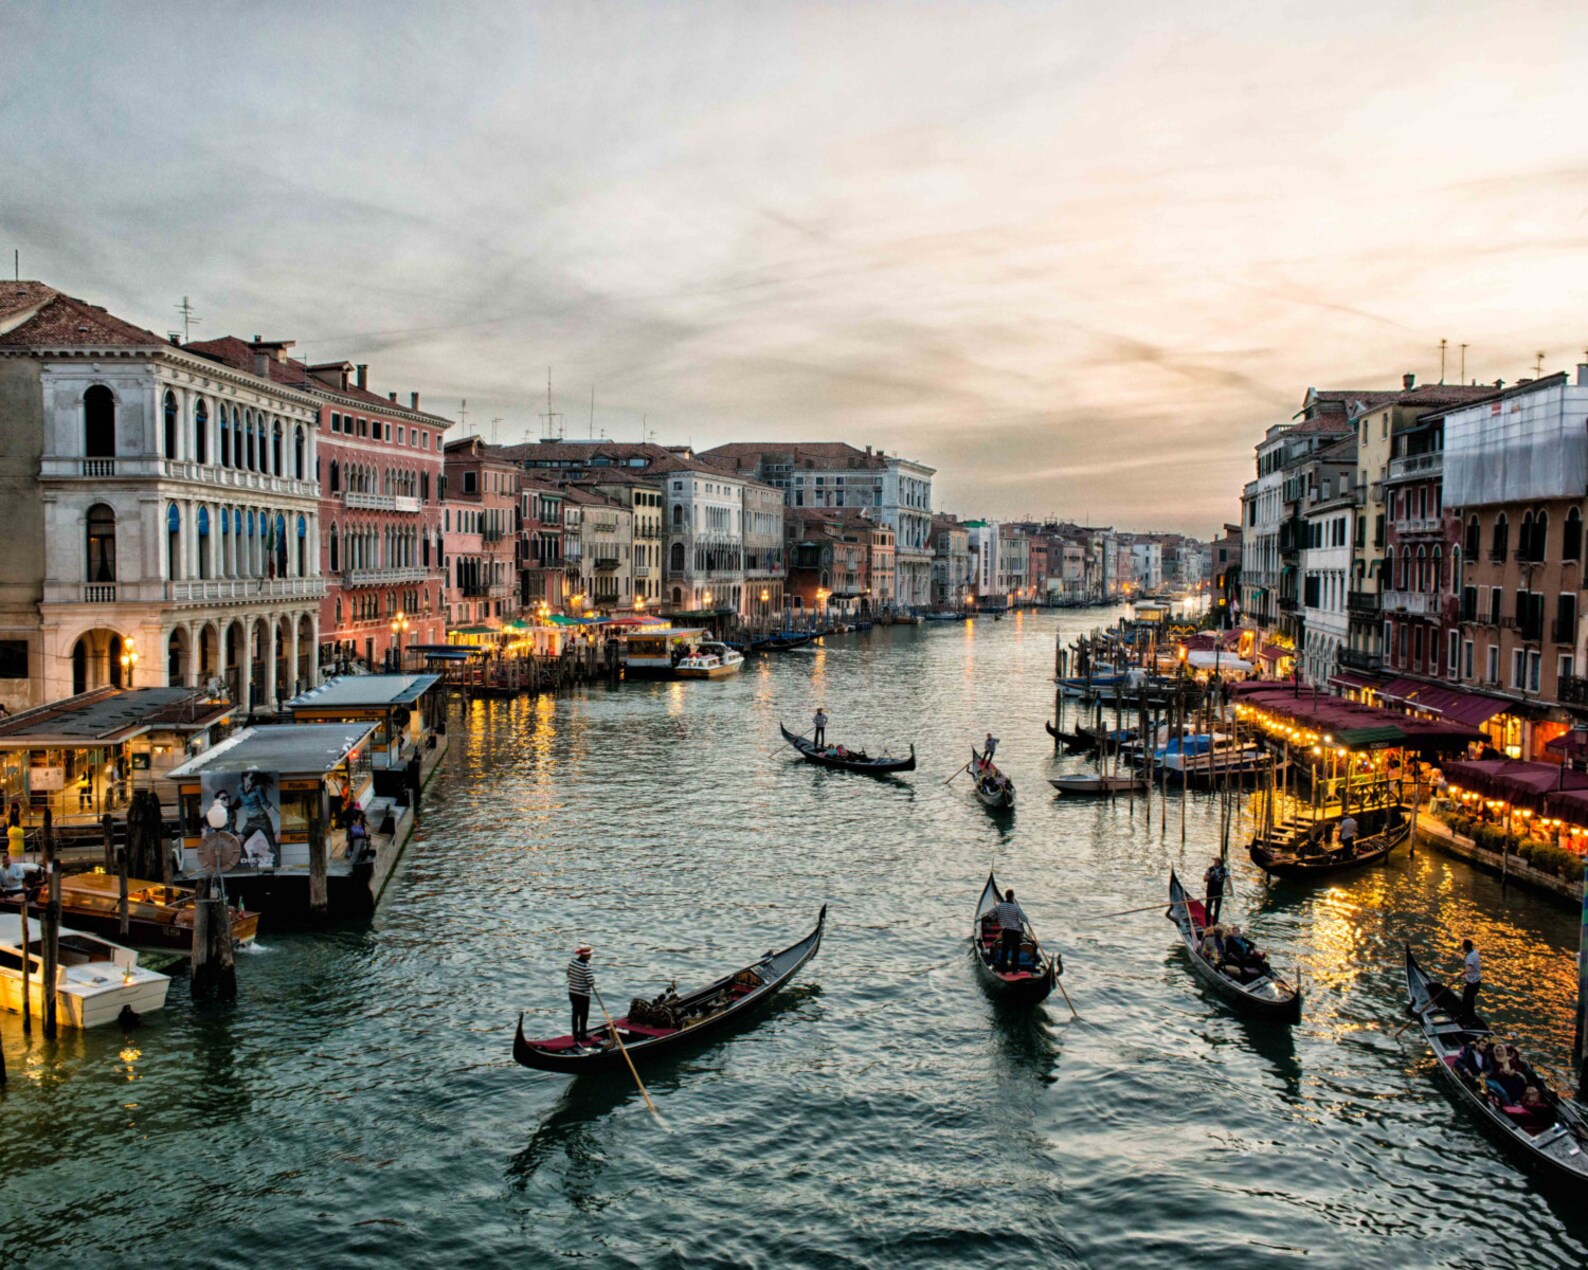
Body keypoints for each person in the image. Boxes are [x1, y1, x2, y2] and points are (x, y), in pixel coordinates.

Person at [992, 888, 1027, 972]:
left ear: (1006, 896)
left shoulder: (1000, 906)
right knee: (1015, 951)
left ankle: (1002, 969)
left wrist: (996, 917)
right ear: (1012, 897)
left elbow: (990, 914)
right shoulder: (1016, 907)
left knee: (1005, 950)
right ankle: (1014, 970)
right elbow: (1025, 919)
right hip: (1015, 933)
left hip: (1006, 932)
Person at [567, 944, 596, 1042]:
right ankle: (583, 1035)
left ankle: (575, 1035)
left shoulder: (572, 963)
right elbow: (591, 981)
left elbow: (568, 974)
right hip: (583, 994)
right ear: (586, 956)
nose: (591, 956)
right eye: (590, 954)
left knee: (575, 1013)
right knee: (584, 1015)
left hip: (572, 992)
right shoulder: (586, 966)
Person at [1460, 938, 1482, 1025]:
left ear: (1465, 947)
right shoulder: (1475, 952)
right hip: (1476, 981)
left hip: (1472, 982)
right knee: (1467, 999)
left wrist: (1462, 973)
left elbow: (1469, 968)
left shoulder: (1469, 957)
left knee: (1468, 1001)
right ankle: (1465, 1016)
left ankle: (1468, 1019)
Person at [1204, 857, 1230, 925]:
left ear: (1220, 864)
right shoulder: (1210, 869)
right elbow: (1204, 879)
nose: (1215, 863)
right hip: (1210, 892)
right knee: (1208, 908)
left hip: (1218, 892)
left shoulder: (1225, 870)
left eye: (1216, 862)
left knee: (1217, 909)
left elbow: (1228, 880)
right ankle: (1207, 923)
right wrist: (1210, 876)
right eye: (1215, 861)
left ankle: (1215, 923)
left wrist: (1231, 891)